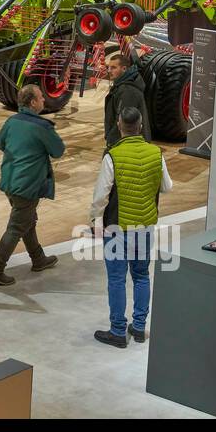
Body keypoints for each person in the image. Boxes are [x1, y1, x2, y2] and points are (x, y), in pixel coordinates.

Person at [88, 105, 172, 347]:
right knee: (142, 275)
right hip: (144, 228)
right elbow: (167, 187)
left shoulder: (112, 156)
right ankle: (139, 327)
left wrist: (94, 219)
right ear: (141, 126)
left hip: (117, 229)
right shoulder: (156, 153)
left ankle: (117, 331)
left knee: (116, 279)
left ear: (118, 125)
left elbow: (100, 196)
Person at [0, 84, 64, 286]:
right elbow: (58, 150)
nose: (44, 100)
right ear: (32, 102)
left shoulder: (11, 121)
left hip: (10, 182)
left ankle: (38, 258)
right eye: (41, 97)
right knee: (16, 227)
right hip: (28, 185)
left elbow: (0, 143)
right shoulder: (41, 126)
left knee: (27, 220)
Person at [103, 50, 149, 147]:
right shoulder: (121, 86)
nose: (109, 71)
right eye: (108, 67)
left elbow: (123, 120)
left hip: (129, 145)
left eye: (113, 68)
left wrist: (111, 141)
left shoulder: (127, 91)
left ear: (124, 69)